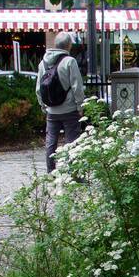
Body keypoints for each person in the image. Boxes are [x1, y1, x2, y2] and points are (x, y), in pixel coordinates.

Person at [36, 31, 85, 172]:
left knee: (51, 142)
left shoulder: (43, 63)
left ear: (55, 44)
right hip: (69, 109)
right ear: (69, 45)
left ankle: (51, 172)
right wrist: (80, 106)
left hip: (51, 110)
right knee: (72, 142)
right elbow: (77, 86)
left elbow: (39, 88)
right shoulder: (70, 61)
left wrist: (43, 105)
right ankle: (73, 172)